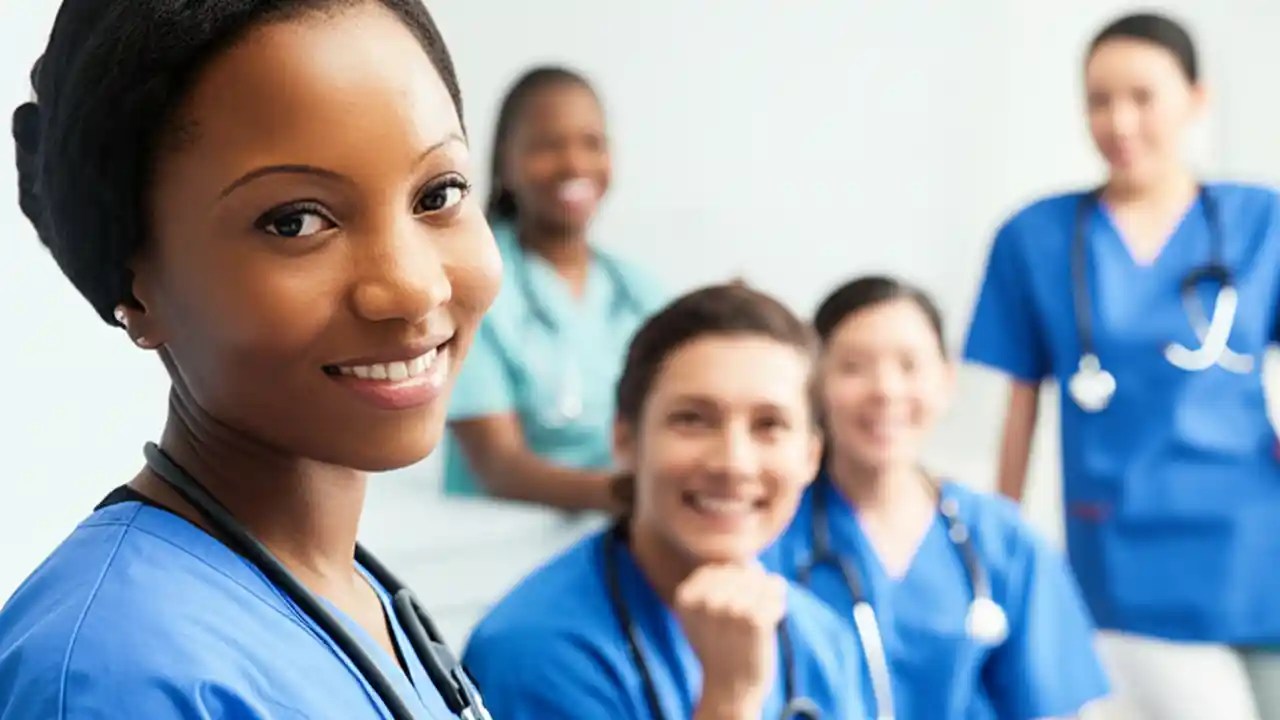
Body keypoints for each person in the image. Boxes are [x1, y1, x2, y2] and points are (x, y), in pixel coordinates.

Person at [0, 1, 503, 718]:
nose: (413, 287)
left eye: (437, 194)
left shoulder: (355, 599)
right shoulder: (119, 677)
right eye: (295, 221)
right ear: (136, 284)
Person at [964, 12, 1280, 720]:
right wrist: (993, 558)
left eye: (1142, 97)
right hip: (1119, 554)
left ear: (1197, 100)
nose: (1119, 121)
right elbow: (1019, 411)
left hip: (1256, 539)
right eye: (1099, 100)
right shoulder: (1035, 237)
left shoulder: (1262, 221)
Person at [461, 283, 867, 719]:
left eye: (769, 425)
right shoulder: (534, 651)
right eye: (692, 419)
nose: (733, 463)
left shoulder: (821, 640)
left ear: (810, 455)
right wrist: (729, 698)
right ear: (625, 439)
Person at [764, 276, 1108, 720]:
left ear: (946, 381)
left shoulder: (1005, 544)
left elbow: (1056, 708)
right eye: (853, 367)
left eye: (909, 366)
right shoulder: (770, 536)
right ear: (814, 387)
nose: (885, 390)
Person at [444, 65, 666, 512]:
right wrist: (648, 499)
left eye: (592, 143)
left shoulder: (641, 292)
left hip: (618, 539)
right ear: (505, 161)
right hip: (494, 548)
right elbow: (498, 466)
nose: (574, 163)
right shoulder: (470, 286)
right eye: (548, 146)